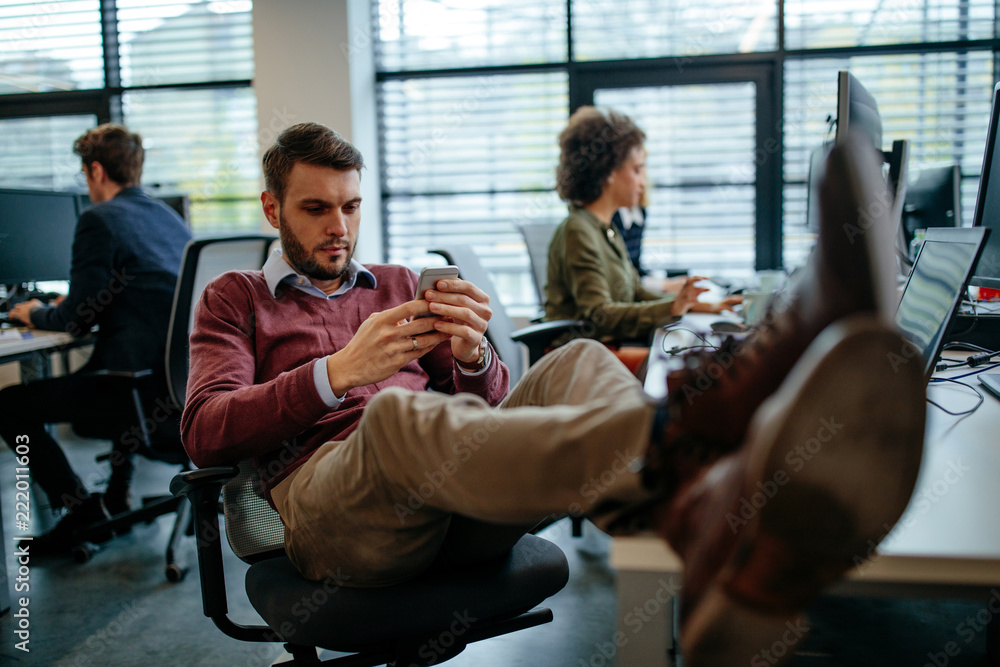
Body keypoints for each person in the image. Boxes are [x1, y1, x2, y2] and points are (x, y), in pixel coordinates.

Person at [182, 122, 925, 665]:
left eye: (351, 206)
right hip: (334, 513)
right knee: (397, 416)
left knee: (574, 359)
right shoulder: (235, 299)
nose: (340, 227)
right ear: (273, 210)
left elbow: (489, 400)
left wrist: (472, 357)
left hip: (449, 497)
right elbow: (205, 430)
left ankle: (699, 500)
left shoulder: (402, 282)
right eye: (317, 209)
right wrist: (338, 372)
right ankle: (707, 431)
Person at [0, 124, 192, 551]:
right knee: (117, 372)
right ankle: (115, 497)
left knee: (8, 405)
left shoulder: (98, 219)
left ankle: (82, 511)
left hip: (130, 388)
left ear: (96, 171)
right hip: (176, 382)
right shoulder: (168, 217)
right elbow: (134, 294)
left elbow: (74, 321)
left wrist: (33, 312)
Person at [545, 107, 741, 352]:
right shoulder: (578, 230)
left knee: (691, 352)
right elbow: (599, 315)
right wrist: (672, 308)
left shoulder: (607, 229)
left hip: (608, 346)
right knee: (686, 361)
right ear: (609, 173)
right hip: (583, 355)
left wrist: (695, 305)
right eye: (637, 170)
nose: (643, 182)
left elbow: (636, 291)